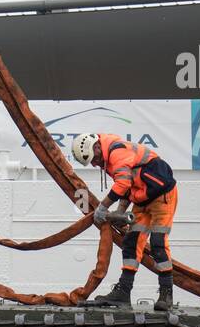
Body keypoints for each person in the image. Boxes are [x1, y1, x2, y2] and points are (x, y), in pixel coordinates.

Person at [71, 133, 178, 311]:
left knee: (158, 242)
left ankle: (166, 293)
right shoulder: (110, 158)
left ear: (96, 147)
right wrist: (120, 212)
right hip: (143, 200)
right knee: (132, 242)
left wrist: (103, 207)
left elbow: (122, 185)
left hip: (162, 197)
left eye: (94, 159)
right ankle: (124, 292)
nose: (94, 163)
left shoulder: (116, 153)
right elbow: (127, 188)